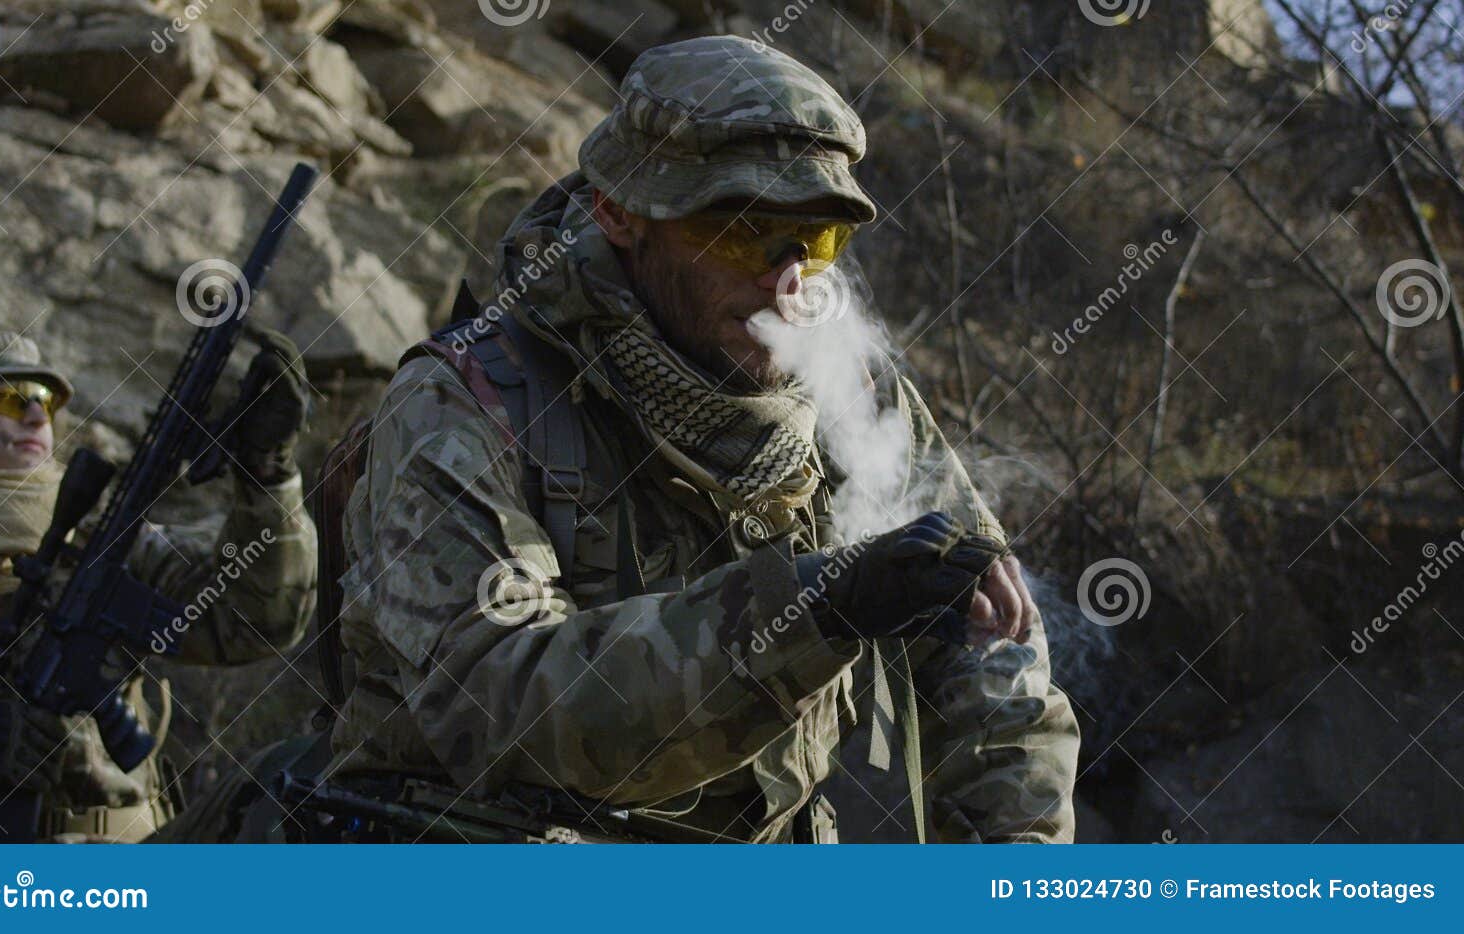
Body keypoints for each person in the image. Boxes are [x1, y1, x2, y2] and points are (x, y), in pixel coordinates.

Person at [175, 35, 1078, 844]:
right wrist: (818, 608)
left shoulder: (849, 394)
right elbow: (503, 701)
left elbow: (1000, 677)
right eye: (746, 232)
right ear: (619, 214)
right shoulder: (470, 400)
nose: (789, 280)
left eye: (819, 236)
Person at [0, 329, 317, 842]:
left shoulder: (105, 542)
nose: (37, 416)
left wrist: (267, 476)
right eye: (8, 399)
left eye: (45, 401)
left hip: (134, 858)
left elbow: (256, 622)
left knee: (292, 779)